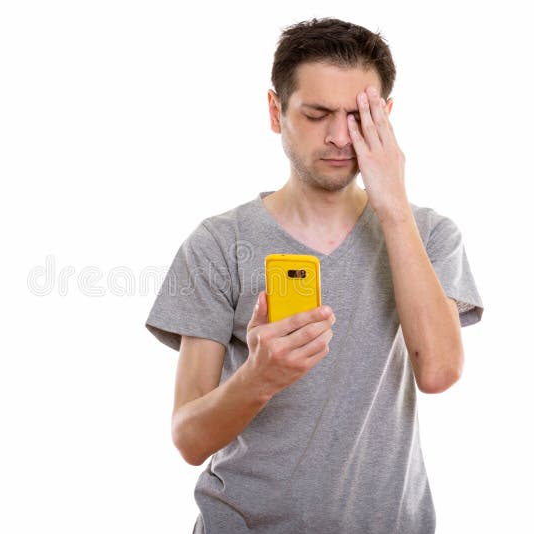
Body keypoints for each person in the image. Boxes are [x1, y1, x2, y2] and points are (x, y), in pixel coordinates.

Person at [145, 17, 483, 534]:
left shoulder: (429, 234)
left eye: (359, 116)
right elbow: (189, 439)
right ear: (275, 111)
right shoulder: (218, 243)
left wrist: (393, 206)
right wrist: (258, 379)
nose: (339, 136)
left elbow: (438, 372)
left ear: (386, 118)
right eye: (317, 113)